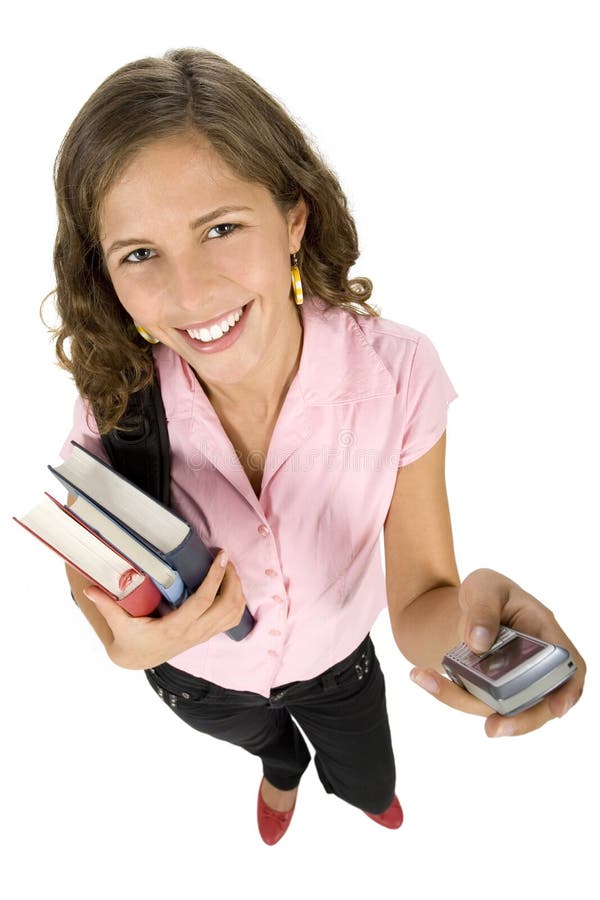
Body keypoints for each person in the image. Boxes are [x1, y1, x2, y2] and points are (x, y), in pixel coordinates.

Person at [49, 48, 586, 846]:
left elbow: (418, 606)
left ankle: (362, 792)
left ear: (294, 220)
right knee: (255, 737)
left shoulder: (398, 373)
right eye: (140, 254)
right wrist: (130, 649)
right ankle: (278, 767)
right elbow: (89, 555)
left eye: (221, 228)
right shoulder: (117, 392)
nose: (190, 294)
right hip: (202, 683)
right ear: (106, 275)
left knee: (370, 769)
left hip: (342, 668)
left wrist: (476, 631)